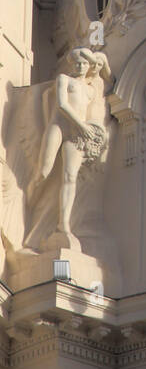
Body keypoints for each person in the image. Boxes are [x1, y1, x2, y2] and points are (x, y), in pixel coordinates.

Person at [25, 47, 108, 242]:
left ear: (89, 66)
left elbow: (106, 85)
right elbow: (62, 105)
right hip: (59, 127)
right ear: (72, 64)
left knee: (70, 176)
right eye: (78, 63)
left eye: (85, 63)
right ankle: (27, 200)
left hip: (76, 134)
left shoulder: (89, 90)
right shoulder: (64, 79)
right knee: (44, 171)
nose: (81, 66)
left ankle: (64, 223)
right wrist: (83, 126)